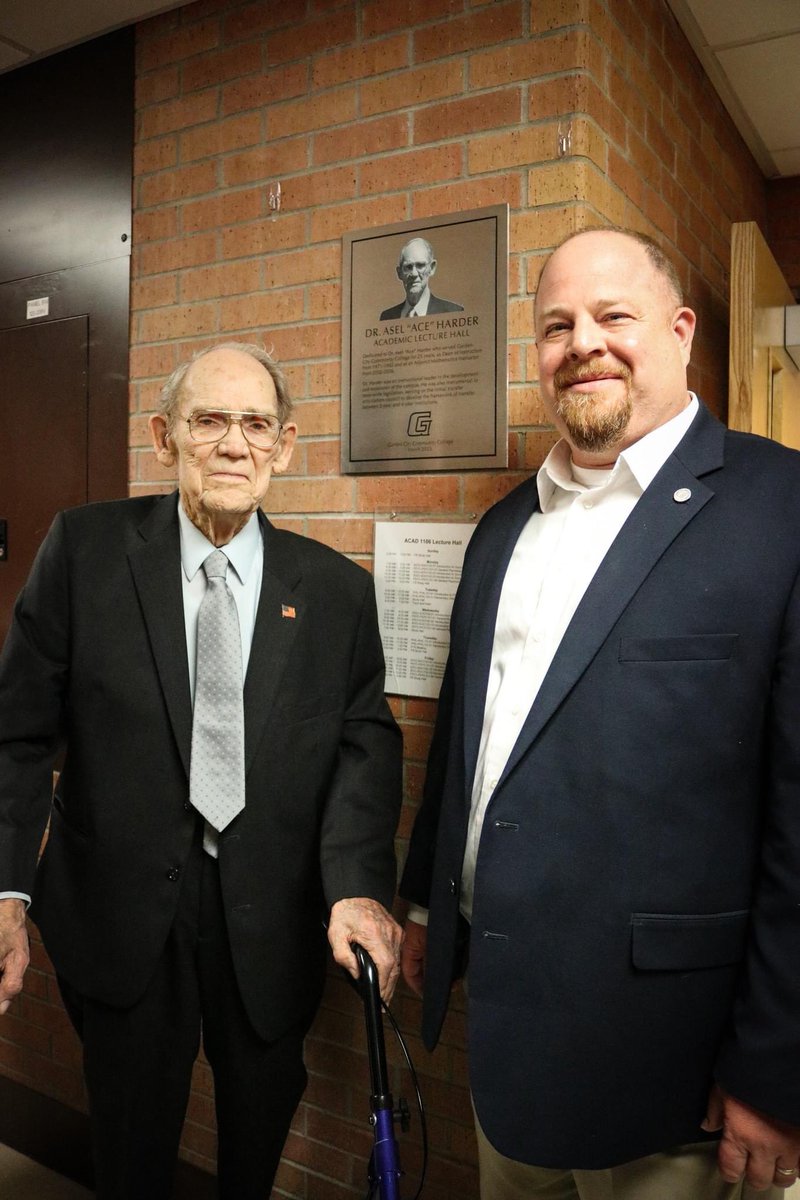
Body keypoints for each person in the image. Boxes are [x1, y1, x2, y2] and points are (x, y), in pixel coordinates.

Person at [400, 228, 800, 1199]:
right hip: (509, 1045)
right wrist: (424, 905)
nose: (582, 342)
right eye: (554, 325)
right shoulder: (502, 529)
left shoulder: (778, 504)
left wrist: (775, 1067)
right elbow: (467, 738)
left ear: (679, 330)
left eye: (611, 316)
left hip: (679, 1082)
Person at [0, 341, 403, 1199]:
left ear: (285, 445)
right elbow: (18, 734)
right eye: (208, 420)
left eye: (255, 424)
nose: (233, 445)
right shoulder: (85, 550)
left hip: (273, 921)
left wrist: (359, 886)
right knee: (131, 1148)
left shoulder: (335, 592)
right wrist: (5, 890)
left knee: (254, 1145)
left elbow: (364, 748)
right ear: (164, 435)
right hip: (119, 919)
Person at [379, 236, 464, 319]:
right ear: (399, 273)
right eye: (408, 267)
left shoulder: (453, 312)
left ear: (432, 268)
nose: (414, 273)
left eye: (420, 265)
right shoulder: (387, 317)